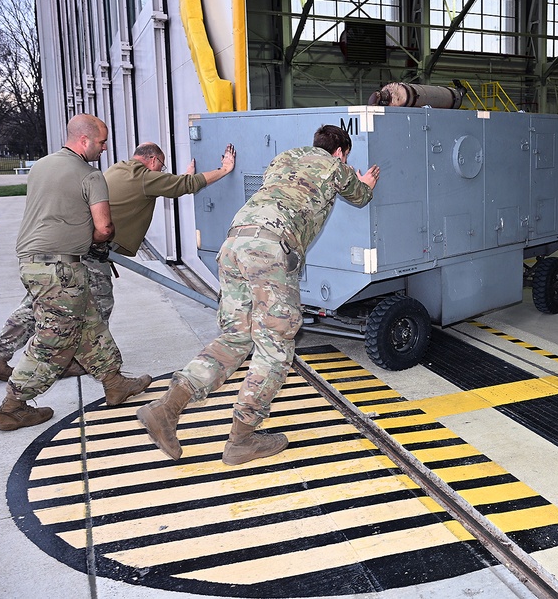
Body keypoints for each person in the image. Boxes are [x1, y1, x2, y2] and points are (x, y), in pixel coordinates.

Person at [137, 124, 380, 465]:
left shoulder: (282, 159)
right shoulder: (334, 165)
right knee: (275, 348)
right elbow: (360, 195)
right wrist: (365, 182)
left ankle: (166, 409)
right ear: (340, 152)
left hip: (235, 242)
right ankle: (242, 440)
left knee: (237, 337)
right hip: (269, 250)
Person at [0, 140, 236, 381]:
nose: (161, 171)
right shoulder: (144, 177)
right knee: (97, 305)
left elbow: (172, 182)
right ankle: (86, 362)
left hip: (72, 248)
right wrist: (224, 170)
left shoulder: (120, 170)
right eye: (162, 166)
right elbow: (183, 187)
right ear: (154, 160)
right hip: (90, 252)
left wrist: (181, 175)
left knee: (38, 304)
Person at [0, 114, 151, 431]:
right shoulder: (90, 175)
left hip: (33, 262)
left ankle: (114, 382)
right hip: (60, 268)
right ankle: (12, 407)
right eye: (101, 142)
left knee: (90, 323)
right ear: (84, 140)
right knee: (54, 340)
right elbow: (104, 227)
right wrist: (95, 238)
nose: (104, 148)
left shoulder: (42, 166)